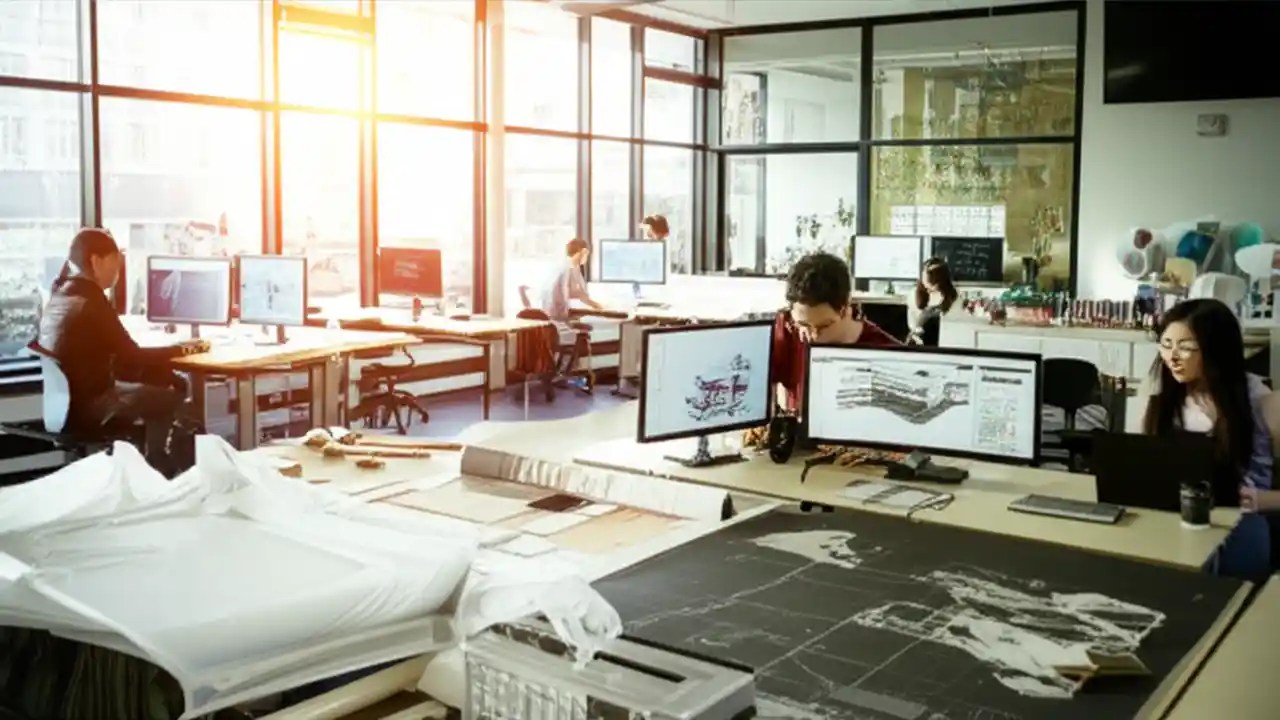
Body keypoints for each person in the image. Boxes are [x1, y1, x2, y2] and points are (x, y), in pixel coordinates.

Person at [37, 228, 205, 477]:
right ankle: (159, 465)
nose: (117, 273)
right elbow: (132, 354)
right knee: (169, 398)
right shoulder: (92, 300)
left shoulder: (61, 293)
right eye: (115, 264)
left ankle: (148, 464)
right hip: (92, 405)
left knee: (158, 378)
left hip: (65, 405)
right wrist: (183, 350)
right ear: (96, 261)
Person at [1140, 298, 1276, 579]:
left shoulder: (1263, 401)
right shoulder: (1162, 393)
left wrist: (1263, 500)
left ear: (1216, 352)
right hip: (1172, 517)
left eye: (1186, 348)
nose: (1172, 358)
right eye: (1166, 345)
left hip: (1237, 524)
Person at [772, 251, 901, 414]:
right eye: (803, 325)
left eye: (824, 326)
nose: (812, 337)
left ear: (846, 308)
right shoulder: (787, 329)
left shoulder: (887, 354)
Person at [541, 237, 603, 323]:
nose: (587, 258)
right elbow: (578, 293)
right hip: (558, 316)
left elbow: (574, 292)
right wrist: (597, 305)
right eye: (587, 254)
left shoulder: (565, 265)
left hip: (550, 313)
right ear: (583, 251)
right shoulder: (570, 268)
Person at [907, 257, 961, 346]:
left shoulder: (955, 297)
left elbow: (955, 326)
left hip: (945, 342)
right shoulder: (914, 295)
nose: (929, 288)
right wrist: (917, 330)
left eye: (934, 284)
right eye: (925, 284)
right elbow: (912, 324)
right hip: (919, 343)